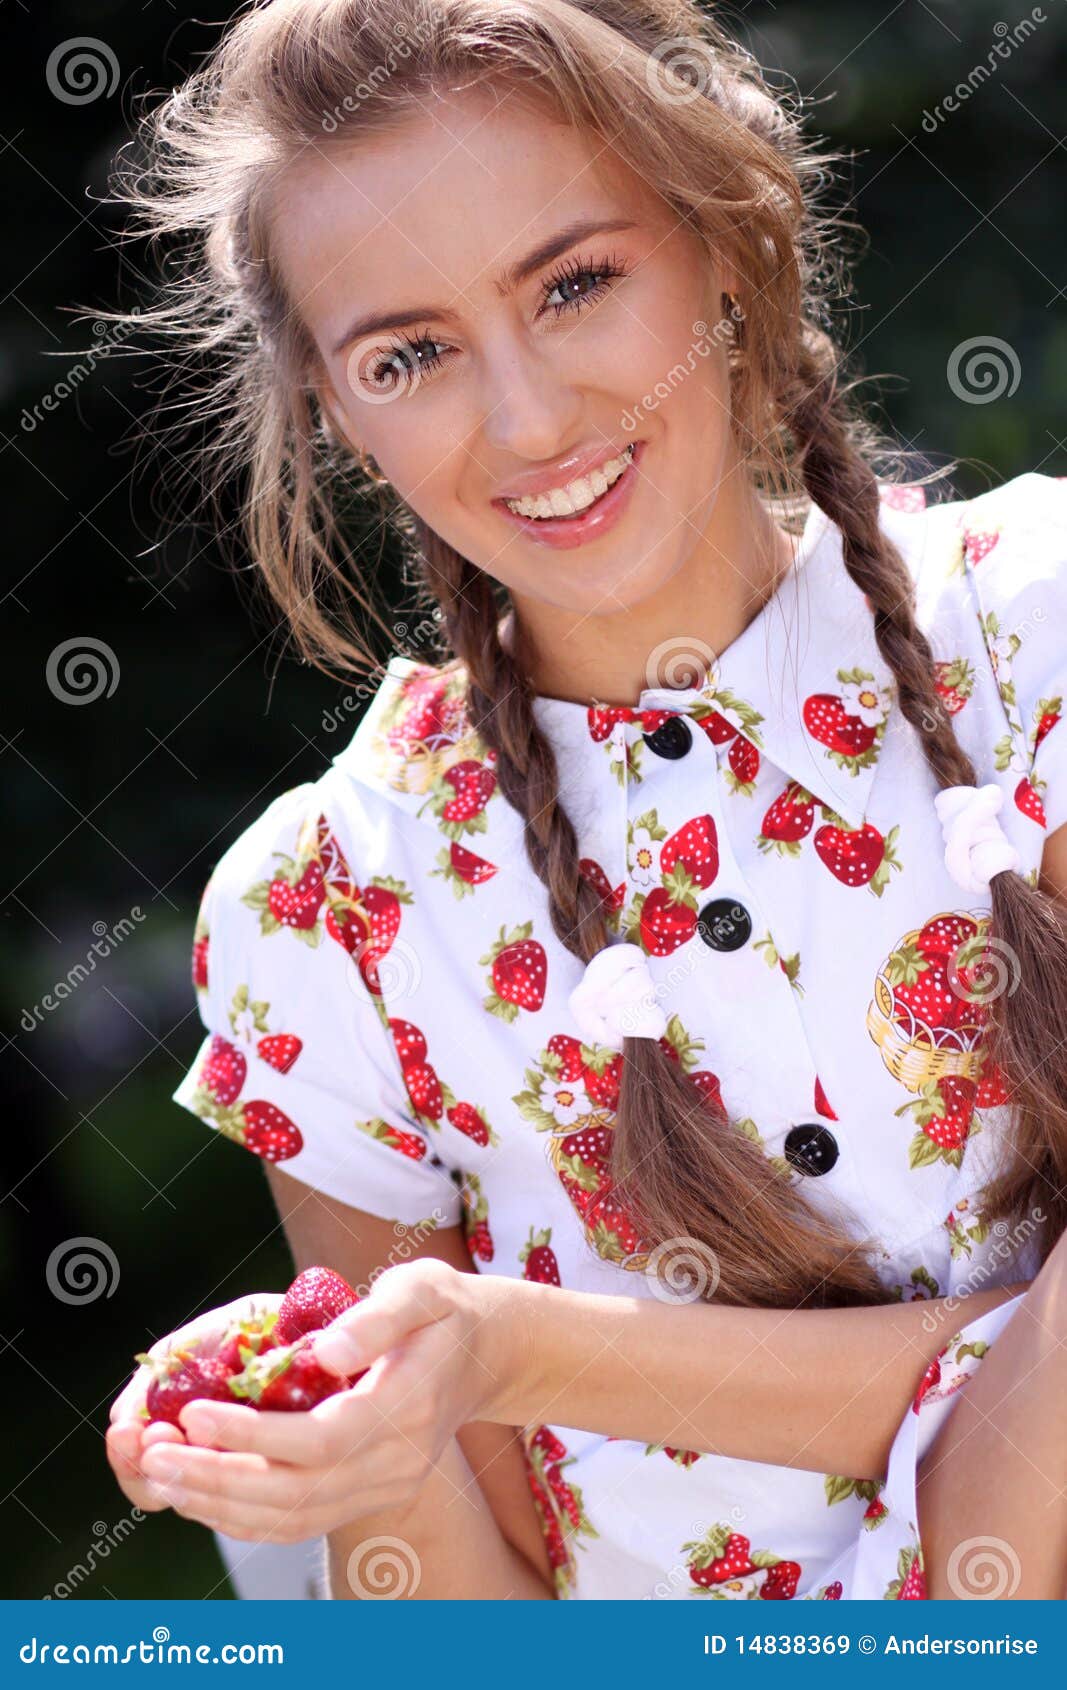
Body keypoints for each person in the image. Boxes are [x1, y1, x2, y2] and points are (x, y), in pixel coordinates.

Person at [104, 0, 1067, 1601]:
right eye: (406, 354)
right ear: (333, 410)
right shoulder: (329, 912)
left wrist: (517, 1348)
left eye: (575, 283)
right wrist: (369, 1429)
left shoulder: (1036, 639)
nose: (529, 421)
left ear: (724, 239)